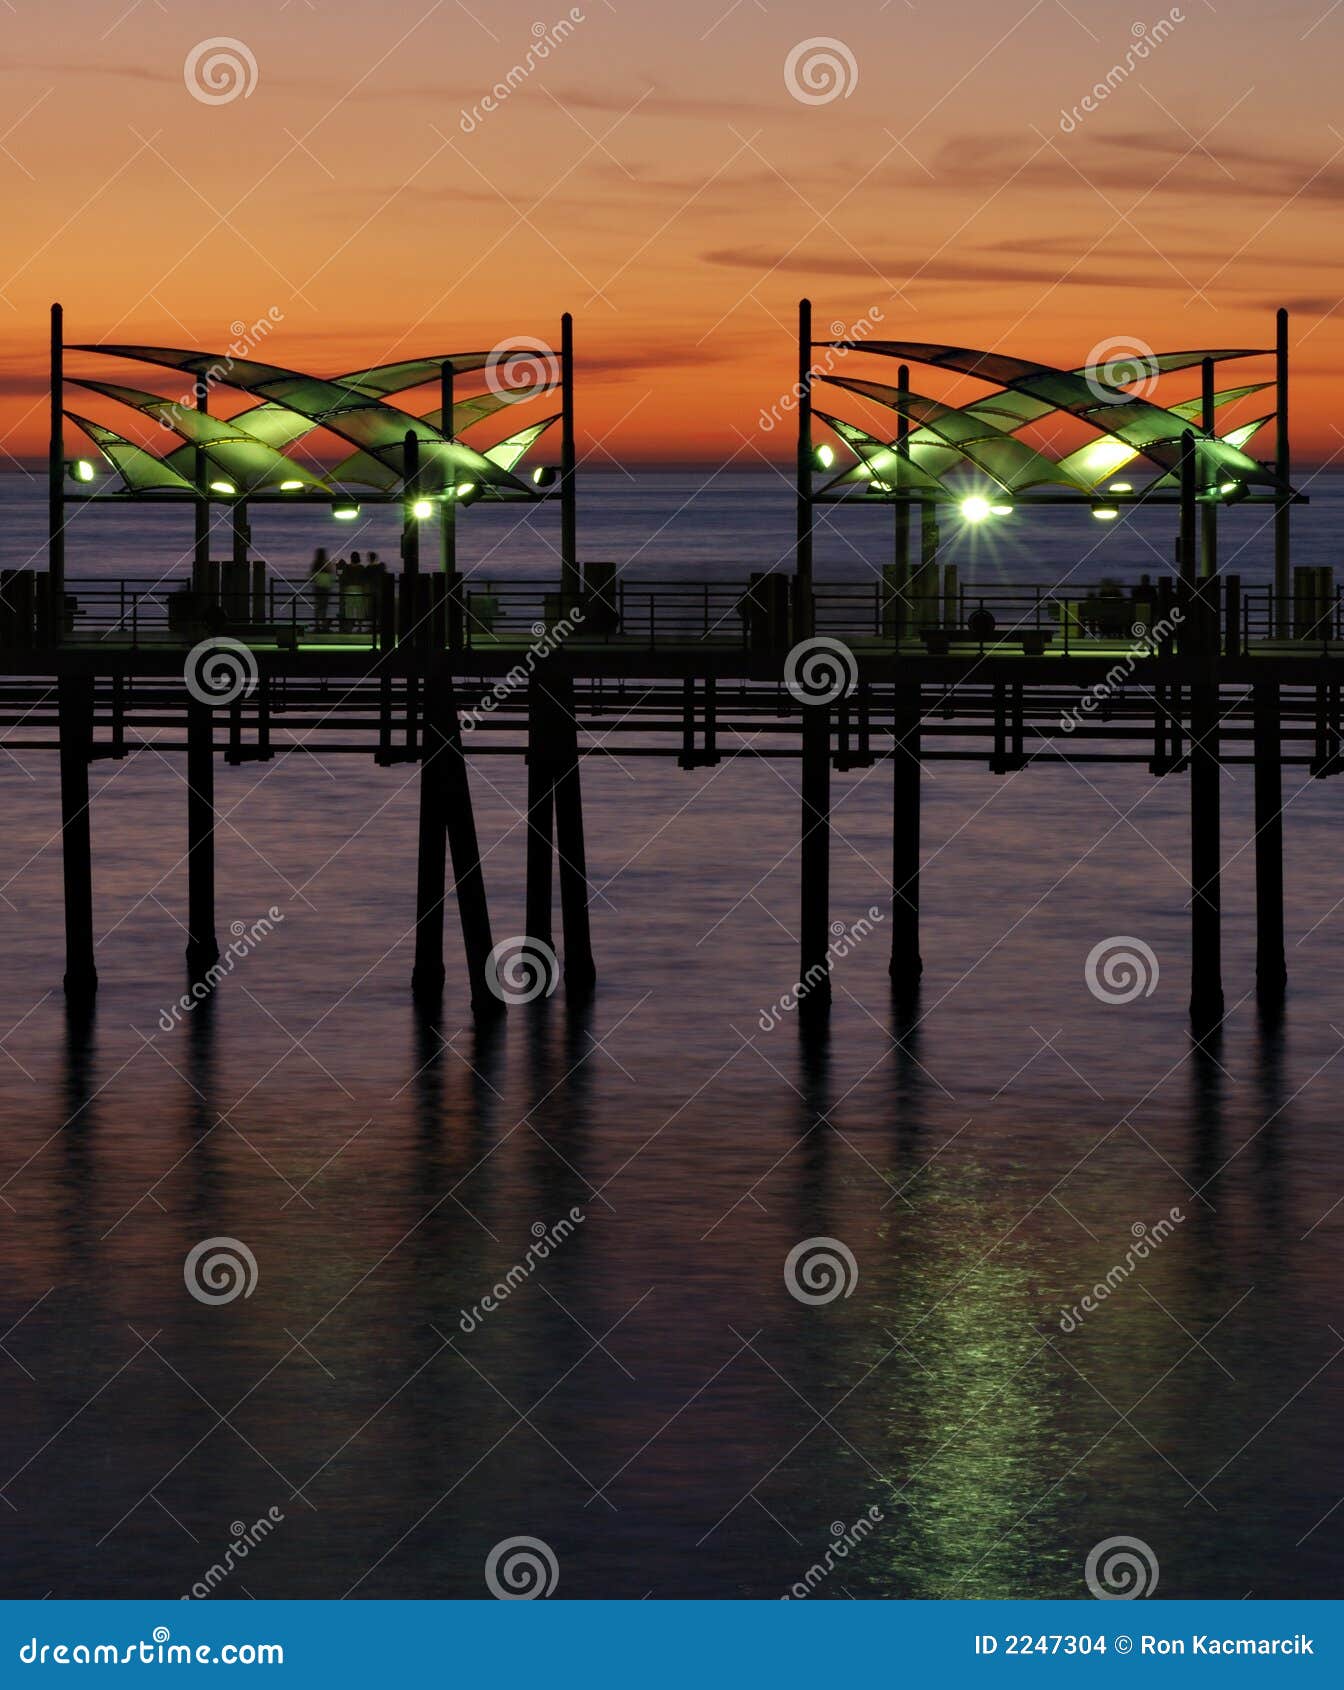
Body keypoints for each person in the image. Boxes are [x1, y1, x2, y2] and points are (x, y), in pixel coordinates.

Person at [309, 547, 335, 631]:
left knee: (318, 606)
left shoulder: (315, 564)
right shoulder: (327, 563)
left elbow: (311, 576)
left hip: (318, 587)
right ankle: (323, 625)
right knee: (324, 607)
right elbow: (332, 573)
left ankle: (317, 625)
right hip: (326, 587)